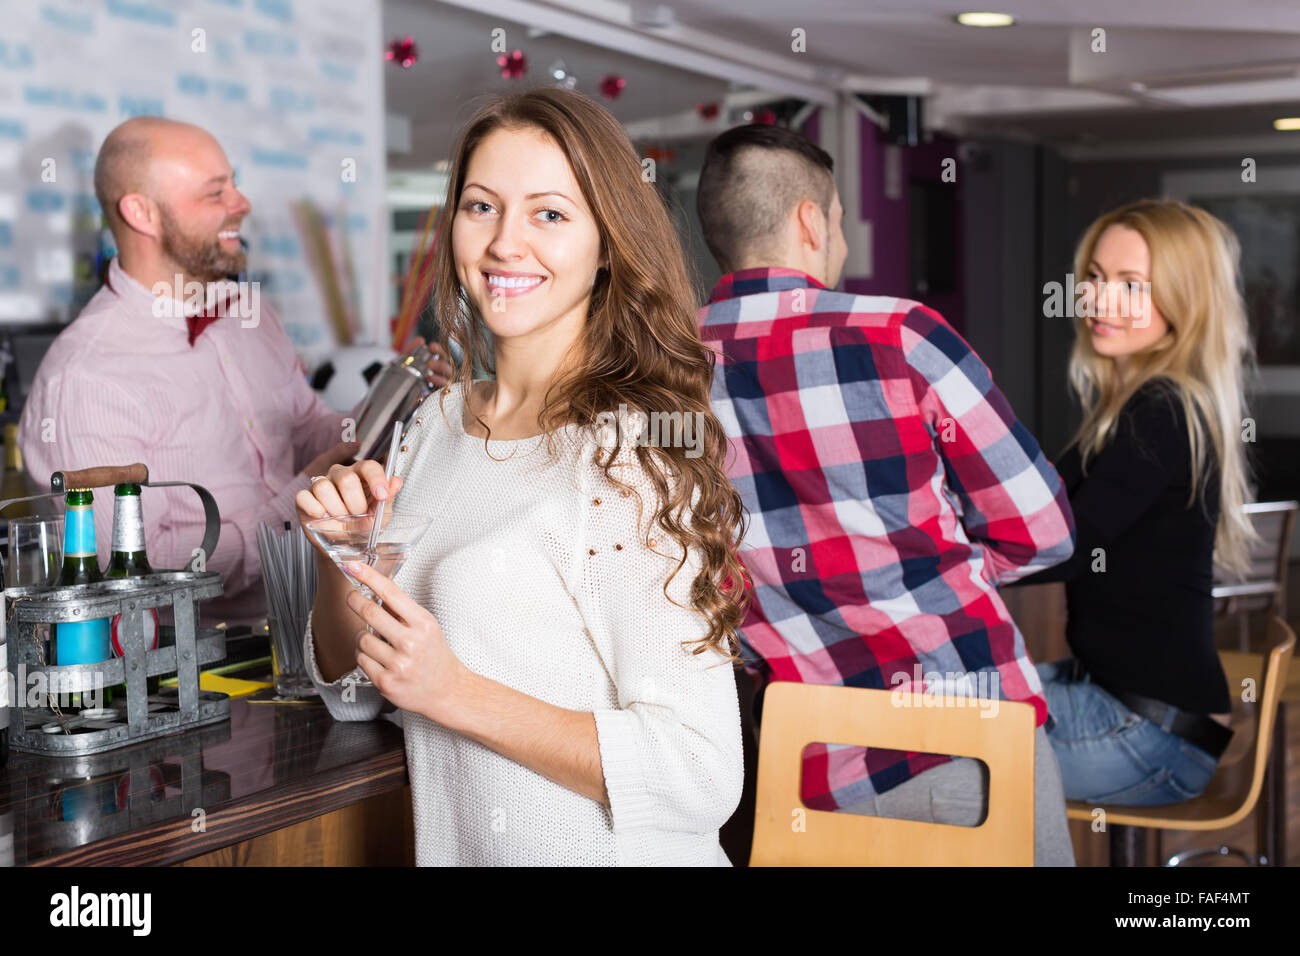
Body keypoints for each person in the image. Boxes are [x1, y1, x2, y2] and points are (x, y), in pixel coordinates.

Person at [297, 88, 747, 866]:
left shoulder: (629, 455)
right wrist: (341, 554)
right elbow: (354, 694)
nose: (506, 243)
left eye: (548, 214)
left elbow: (701, 771)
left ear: (606, 244)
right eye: (481, 207)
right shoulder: (434, 425)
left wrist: (455, 692)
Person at [695, 123, 1077, 864]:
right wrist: (923, 562)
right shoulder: (898, 334)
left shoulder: (657, 374)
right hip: (965, 739)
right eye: (837, 221)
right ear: (811, 220)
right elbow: (1043, 530)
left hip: (804, 765)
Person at [17, 117, 451, 625]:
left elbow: (304, 427)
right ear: (142, 213)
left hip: (321, 631)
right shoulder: (84, 379)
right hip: (197, 677)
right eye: (215, 193)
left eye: (235, 184)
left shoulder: (250, 312)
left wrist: (396, 405)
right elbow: (134, 571)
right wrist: (303, 498)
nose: (241, 204)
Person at [1014, 199, 1253, 805]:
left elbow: (1069, 545)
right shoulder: (1126, 407)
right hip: (1115, 699)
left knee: (923, 753)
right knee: (930, 709)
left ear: (1183, 301)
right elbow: (1036, 500)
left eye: (1132, 286)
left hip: (1150, 733)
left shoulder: (1166, 409)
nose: (1099, 300)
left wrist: (942, 568)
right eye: (1094, 278)